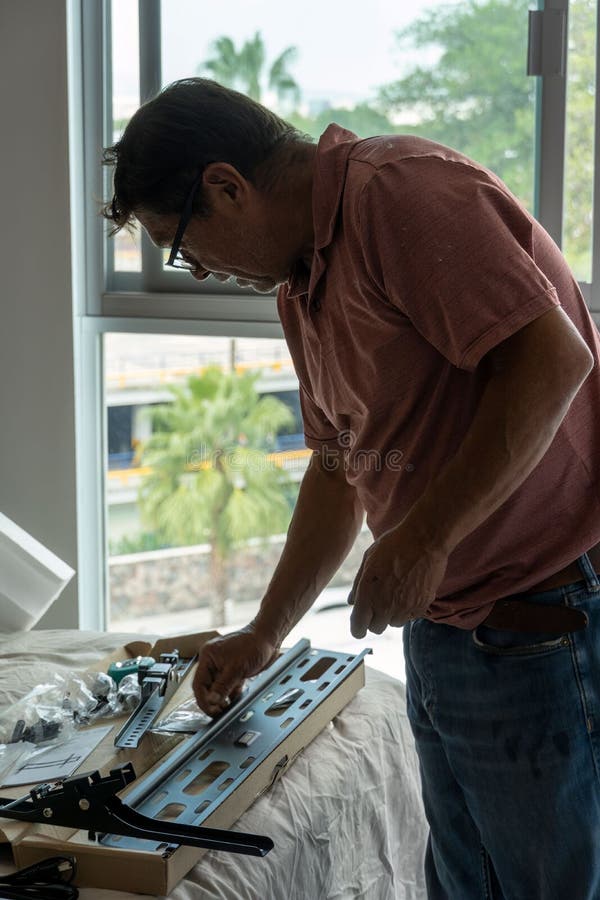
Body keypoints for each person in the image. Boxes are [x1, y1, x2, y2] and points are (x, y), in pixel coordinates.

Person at [102, 77, 600, 899]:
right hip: (449, 627)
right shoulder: (303, 283)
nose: (197, 270)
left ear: (227, 186)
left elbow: (554, 363)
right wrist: (265, 633)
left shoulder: (401, 197)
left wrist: (422, 540)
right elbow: (339, 467)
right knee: (465, 884)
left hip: (537, 622)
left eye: (182, 245)